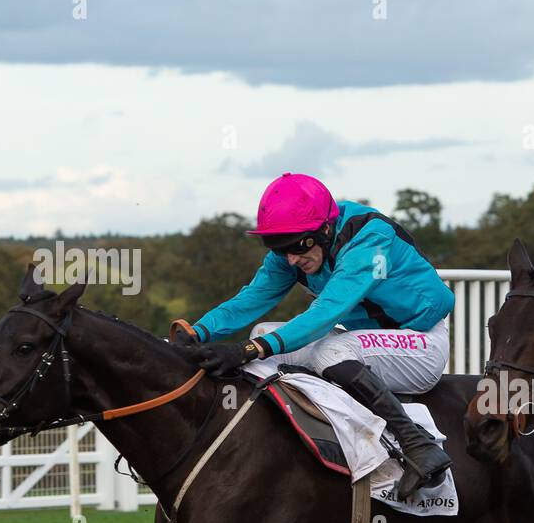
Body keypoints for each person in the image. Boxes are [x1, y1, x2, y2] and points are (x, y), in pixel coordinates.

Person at [175, 172, 454, 499]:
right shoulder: (296, 247)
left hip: (420, 345)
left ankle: (417, 443)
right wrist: (197, 332)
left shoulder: (370, 237)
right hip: (367, 345)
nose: (291, 258)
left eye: (297, 247)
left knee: (325, 352)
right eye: (280, 249)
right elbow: (251, 299)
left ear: (325, 229)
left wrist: (248, 350)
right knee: (264, 333)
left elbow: (325, 314)